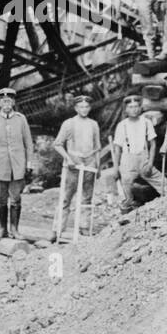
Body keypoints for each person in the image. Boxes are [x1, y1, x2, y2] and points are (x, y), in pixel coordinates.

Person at [0, 87, 34, 237]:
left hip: (18, 165)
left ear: (13, 102)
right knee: (1, 198)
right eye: (3, 101)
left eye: (9, 101)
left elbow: (28, 143)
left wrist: (29, 164)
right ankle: (2, 229)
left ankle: (15, 230)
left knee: (16, 198)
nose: (6, 104)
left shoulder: (21, 119)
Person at [53, 94, 101, 239]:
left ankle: (84, 226)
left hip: (89, 163)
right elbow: (57, 144)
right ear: (75, 108)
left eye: (86, 107)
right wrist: (68, 159)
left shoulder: (93, 124)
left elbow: (97, 147)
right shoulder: (69, 123)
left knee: (87, 197)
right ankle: (58, 229)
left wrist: (97, 166)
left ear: (90, 108)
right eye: (81, 106)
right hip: (73, 163)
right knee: (66, 197)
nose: (84, 109)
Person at [112, 95, 167, 211]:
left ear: (140, 108)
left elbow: (152, 144)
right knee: (126, 194)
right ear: (126, 109)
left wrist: (150, 163)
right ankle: (126, 216)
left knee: (166, 186)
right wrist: (116, 168)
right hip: (127, 161)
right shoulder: (122, 125)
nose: (134, 109)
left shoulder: (146, 122)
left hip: (143, 159)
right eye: (131, 107)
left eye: (136, 106)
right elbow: (117, 148)